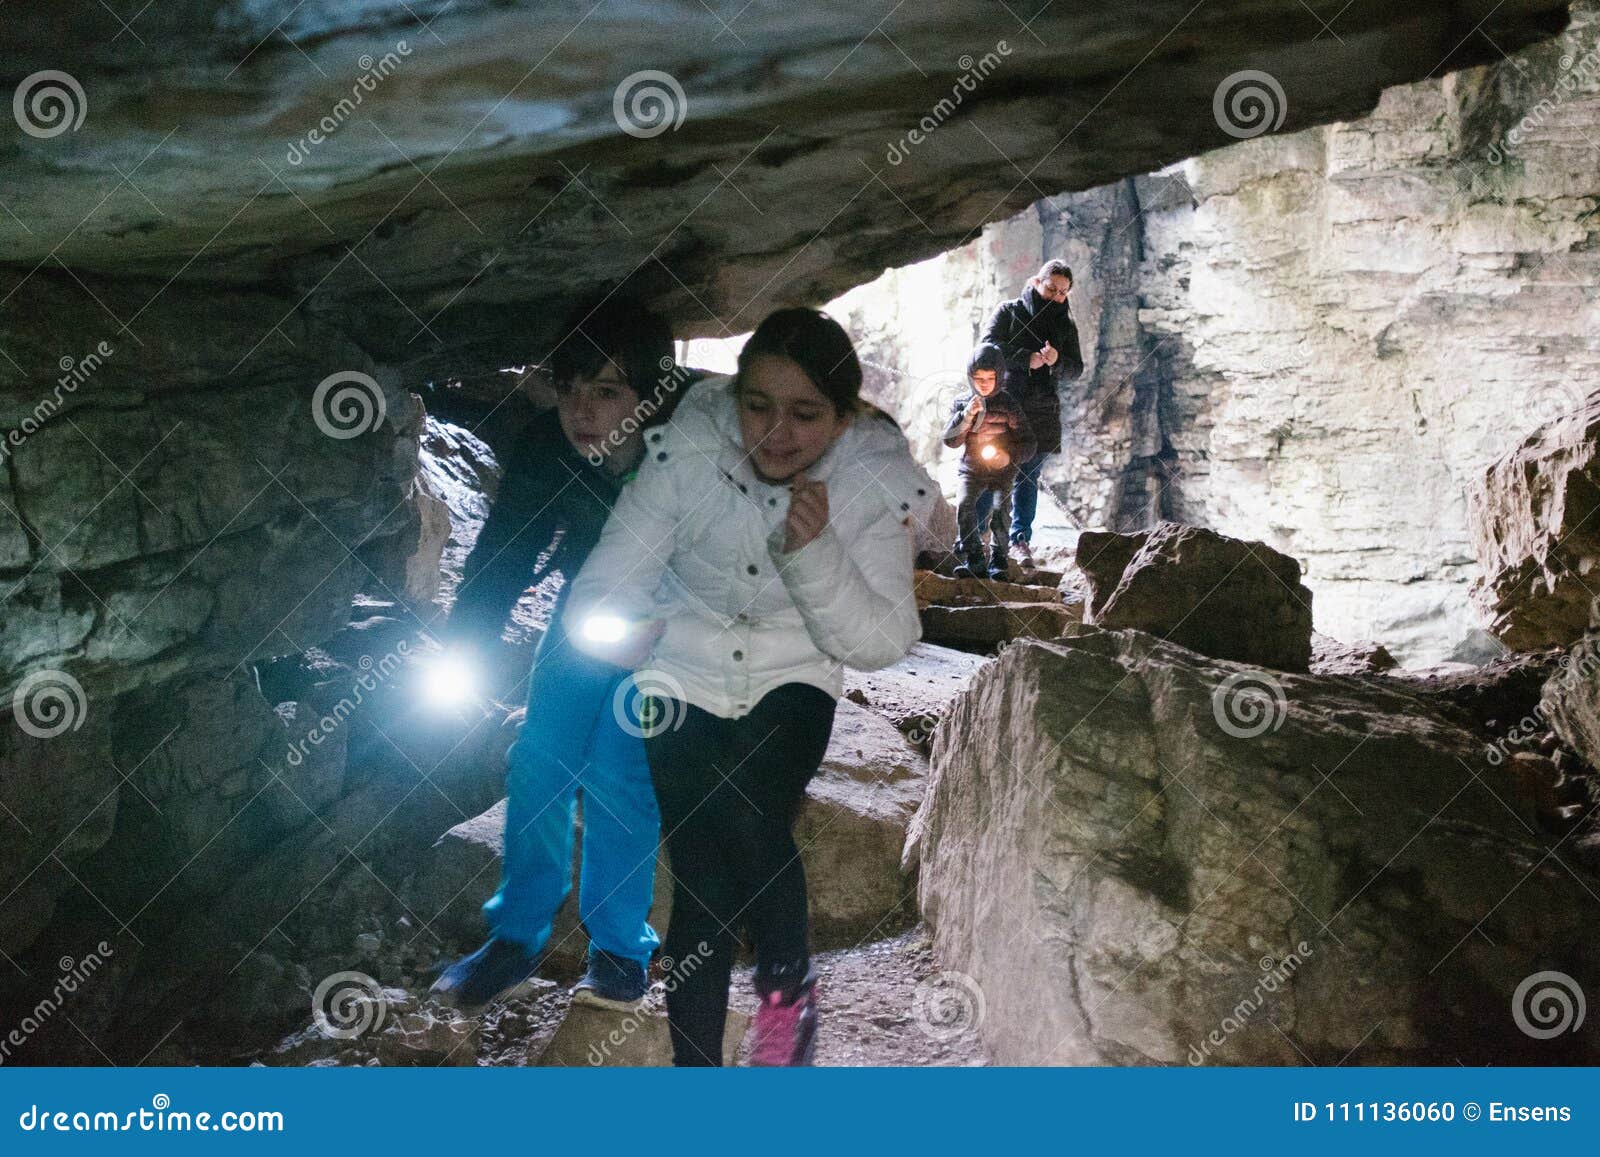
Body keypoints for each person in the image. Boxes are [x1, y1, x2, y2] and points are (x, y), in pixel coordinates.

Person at [565, 308, 935, 1066]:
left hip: (792, 674)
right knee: (702, 869)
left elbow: (880, 641)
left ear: (842, 416)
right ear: (735, 395)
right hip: (679, 666)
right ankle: (724, 1059)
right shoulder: (691, 447)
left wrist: (814, 552)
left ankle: (781, 1003)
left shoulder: (872, 477)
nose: (776, 430)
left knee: (745, 812)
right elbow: (604, 583)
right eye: (758, 404)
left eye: (805, 413)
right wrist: (613, 624)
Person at [430, 298, 679, 1013]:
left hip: (673, 623)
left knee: (618, 769)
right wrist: (463, 648)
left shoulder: (693, 450)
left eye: (608, 390)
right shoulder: (546, 447)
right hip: (588, 610)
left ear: (650, 393)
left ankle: (620, 954)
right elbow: (503, 554)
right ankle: (514, 936)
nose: (584, 409)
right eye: (570, 388)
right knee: (539, 758)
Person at [978, 258, 1084, 568]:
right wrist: (1027, 358)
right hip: (1004, 405)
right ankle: (975, 537)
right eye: (1052, 288)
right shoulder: (1009, 312)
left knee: (1028, 476)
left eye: (1063, 292)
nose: (1056, 296)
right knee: (989, 471)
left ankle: (1019, 540)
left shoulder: (1065, 324)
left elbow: (1075, 369)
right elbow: (987, 349)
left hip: (1041, 411)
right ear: (1036, 282)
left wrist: (1055, 360)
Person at [943, 343, 1036, 580]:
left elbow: (1029, 443)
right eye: (978, 378)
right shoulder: (962, 403)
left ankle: (999, 561)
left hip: (1002, 470)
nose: (984, 383)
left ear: (999, 376)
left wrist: (1009, 456)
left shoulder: (1008, 404)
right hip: (971, 468)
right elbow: (950, 440)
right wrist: (966, 416)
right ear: (970, 377)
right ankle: (974, 558)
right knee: (965, 507)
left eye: (990, 377)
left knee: (1000, 510)